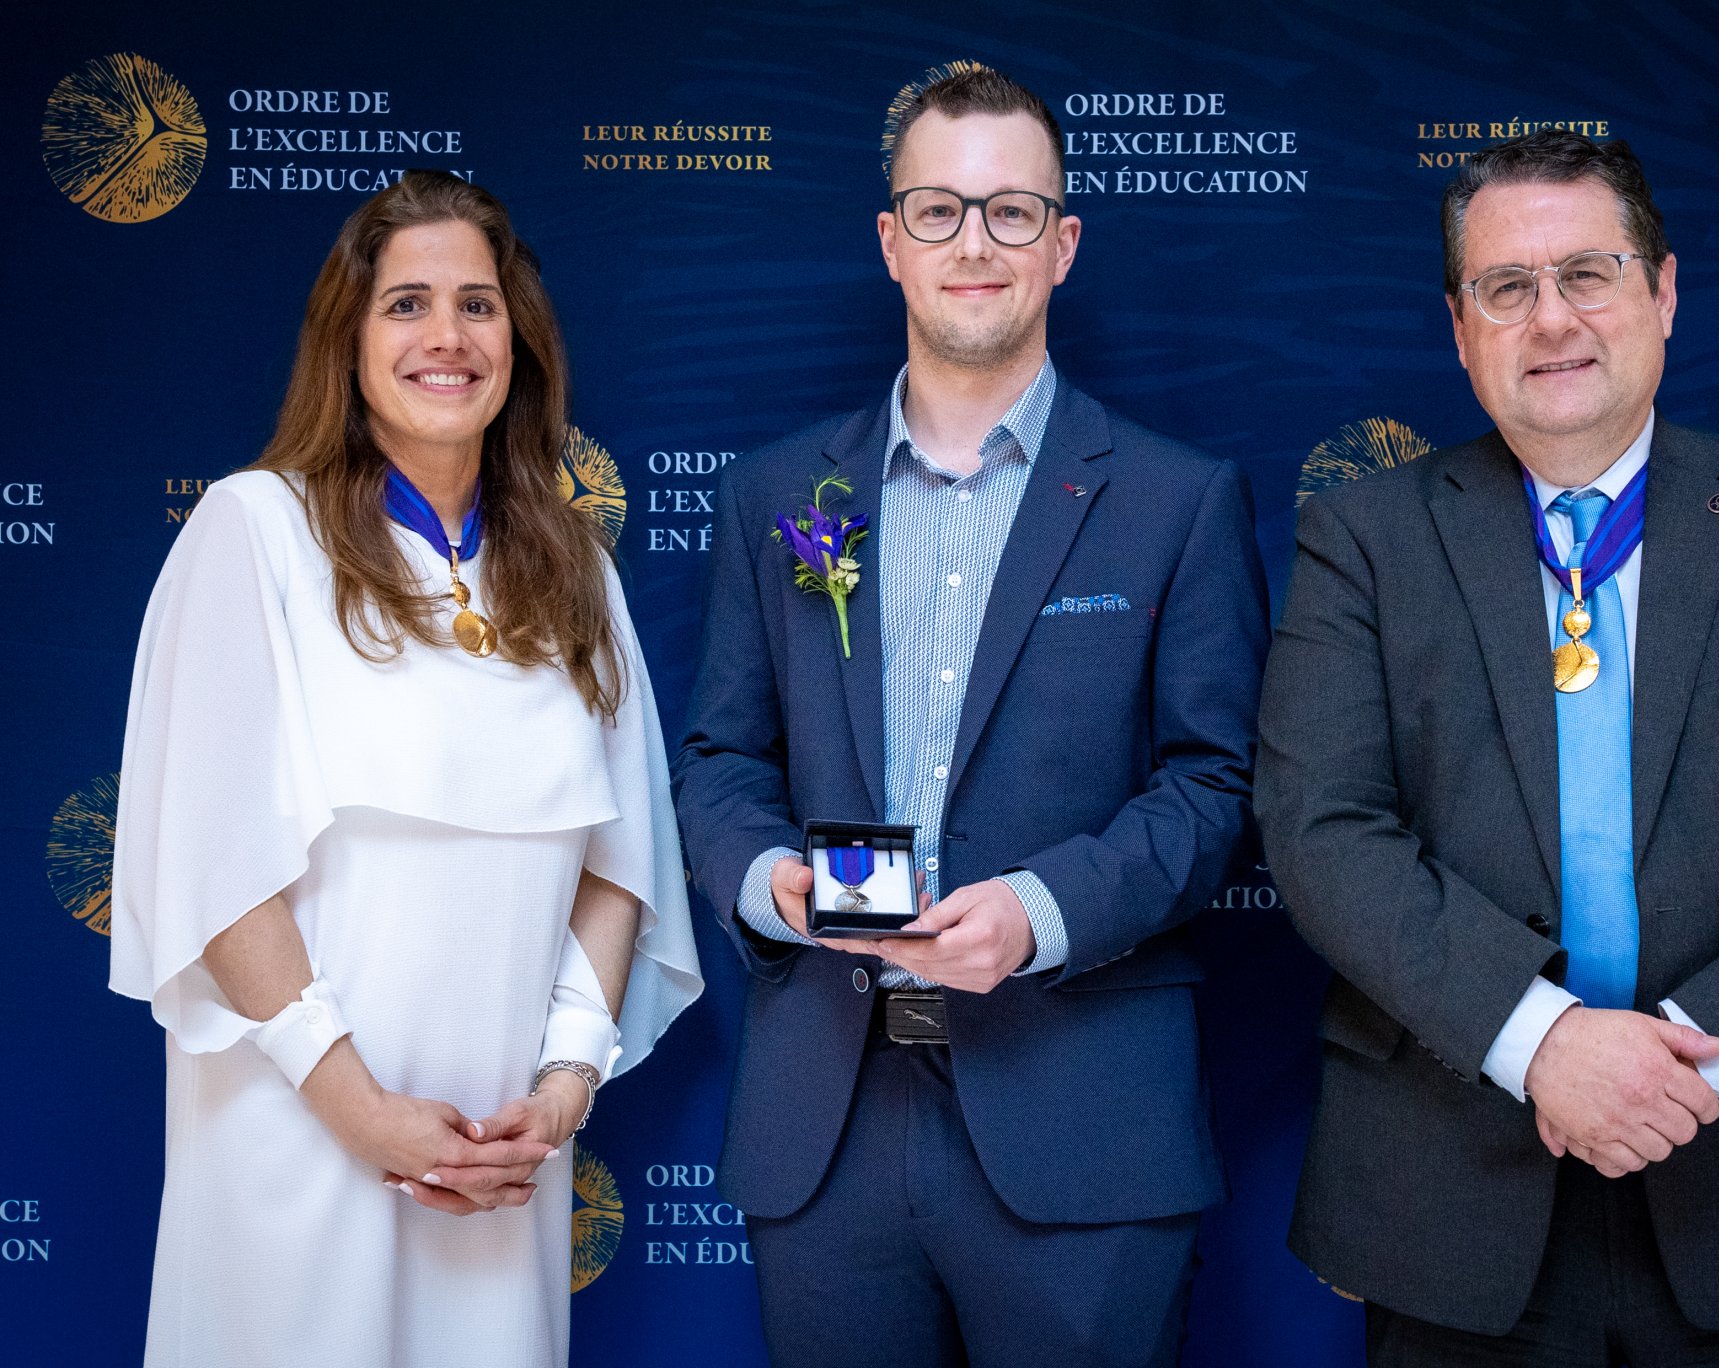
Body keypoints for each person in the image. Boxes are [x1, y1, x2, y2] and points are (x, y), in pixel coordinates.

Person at [1257, 130, 1719, 1366]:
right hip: (1459, 1201)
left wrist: (1689, 1061)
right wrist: (1542, 1045)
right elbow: (1322, 831)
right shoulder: (1359, 540)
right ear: (1459, 324)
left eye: (1586, 273)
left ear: (1662, 290)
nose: (1551, 321)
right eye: (1506, 287)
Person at [676, 64, 1268, 1368]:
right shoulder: (779, 494)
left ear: (1064, 244)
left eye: (1011, 212)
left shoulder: (1175, 500)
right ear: (891, 242)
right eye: (940, 211)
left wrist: (1039, 916)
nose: (975, 245)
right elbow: (720, 758)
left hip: (1080, 1121)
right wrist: (772, 880)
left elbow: (1216, 786)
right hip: (828, 1118)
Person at [108, 170, 702, 1368]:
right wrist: (361, 1115)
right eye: (407, 304)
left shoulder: (574, 568)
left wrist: (560, 1090)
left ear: (517, 342)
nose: (446, 337)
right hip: (299, 1136)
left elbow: (617, 859)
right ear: (349, 338)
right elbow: (215, 866)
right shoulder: (255, 529)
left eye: (477, 306)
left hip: (495, 1167)